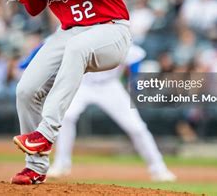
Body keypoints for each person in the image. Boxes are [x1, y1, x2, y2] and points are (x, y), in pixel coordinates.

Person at [10, 0, 132, 185]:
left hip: (110, 30)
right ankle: (35, 167)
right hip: (69, 32)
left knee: (77, 46)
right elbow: (36, 7)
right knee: (26, 90)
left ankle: (45, 133)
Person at [45, 44, 177, 182]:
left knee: (137, 127)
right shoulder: (85, 34)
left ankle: (159, 169)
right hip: (82, 84)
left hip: (110, 86)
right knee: (67, 117)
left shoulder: (118, 38)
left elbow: (135, 57)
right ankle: (61, 164)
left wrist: (135, 81)